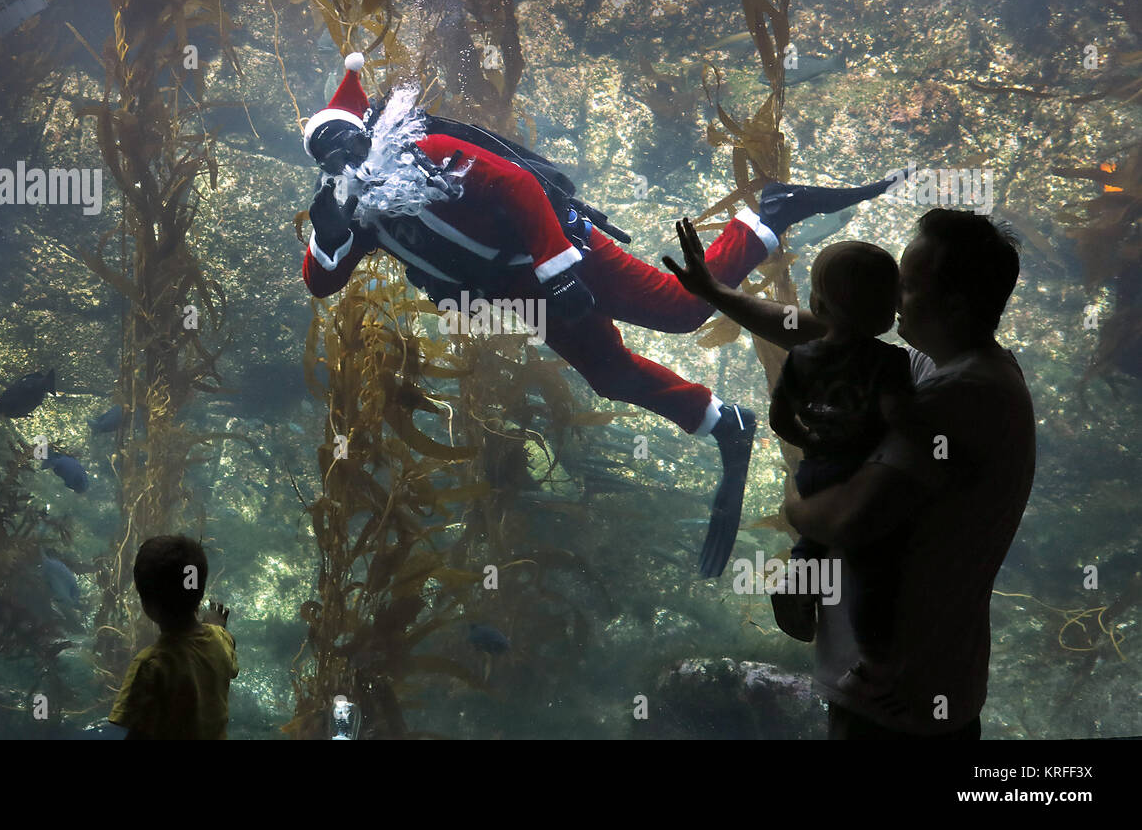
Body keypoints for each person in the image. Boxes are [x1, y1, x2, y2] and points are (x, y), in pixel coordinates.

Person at [301, 52, 899, 576]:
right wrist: (325, 240)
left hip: (565, 254)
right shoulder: (354, 212)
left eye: (345, 140)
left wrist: (557, 269)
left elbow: (516, 186)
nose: (343, 159)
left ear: (368, 132)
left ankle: (771, 213)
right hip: (523, 293)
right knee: (609, 376)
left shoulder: (425, 152)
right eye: (325, 154)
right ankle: (724, 423)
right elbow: (322, 283)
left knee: (685, 309)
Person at [666, 207, 1035, 739]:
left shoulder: (962, 396)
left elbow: (842, 519)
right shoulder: (953, 367)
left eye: (905, 286)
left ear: (951, 304)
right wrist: (718, 294)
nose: (890, 298)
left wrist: (796, 482)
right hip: (909, 689)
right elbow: (833, 334)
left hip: (896, 703)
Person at [766, 241, 914, 662]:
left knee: (812, 540)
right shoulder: (890, 361)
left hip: (817, 468)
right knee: (873, 562)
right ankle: (872, 651)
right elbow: (896, 415)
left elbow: (780, 419)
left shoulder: (801, 357)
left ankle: (798, 582)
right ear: (889, 311)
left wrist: (810, 441)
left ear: (817, 304)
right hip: (862, 471)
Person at [109, 536, 238, 740]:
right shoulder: (220, 640)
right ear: (200, 593)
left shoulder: (150, 664)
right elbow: (226, 642)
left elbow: (138, 731)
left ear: (147, 606)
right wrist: (216, 625)